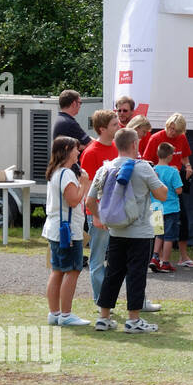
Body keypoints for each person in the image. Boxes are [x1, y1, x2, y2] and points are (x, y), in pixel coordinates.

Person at [87, 129, 168, 334]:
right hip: (140, 232)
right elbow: (162, 195)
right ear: (134, 144)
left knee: (112, 274)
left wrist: (98, 218)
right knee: (136, 275)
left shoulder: (105, 168)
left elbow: (89, 200)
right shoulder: (143, 168)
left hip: (116, 231)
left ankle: (103, 318)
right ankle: (133, 320)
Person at [43, 136, 90, 327]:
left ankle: (55, 313)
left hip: (56, 228)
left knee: (58, 270)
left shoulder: (56, 172)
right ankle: (66, 314)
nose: (78, 152)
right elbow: (73, 200)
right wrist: (84, 183)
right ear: (66, 150)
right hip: (67, 230)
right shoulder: (66, 174)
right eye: (75, 149)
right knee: (72, 270)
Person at [142, 114, 193, 267]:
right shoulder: (155, 138)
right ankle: (161, 259)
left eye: (176, 130)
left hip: (167, 192)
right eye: (171, 128)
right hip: (161, 190)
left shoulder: (182, 139)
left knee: (173, 224)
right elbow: (146, 162)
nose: (172, 132)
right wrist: (160, 172)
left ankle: (179, 257)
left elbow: (185, 157)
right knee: (165, 231)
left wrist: (188, 166)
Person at [80, 109, 119, 309]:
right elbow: (87, 190)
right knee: (97, 260)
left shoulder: (115, 147)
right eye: (114, 124)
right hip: (99, 215)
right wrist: (94, 216)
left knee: (115, 261)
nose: (118, 126)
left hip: (115, 214)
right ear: (102, 129)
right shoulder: (91, 153)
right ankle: (101, 303)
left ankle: (108, 301)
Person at [149, 142, 184, 274]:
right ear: (170, 156)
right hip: (171, 209)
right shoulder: (173, 171)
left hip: (156, 207)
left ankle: (155, 257)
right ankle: (165, 262)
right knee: (169, 236)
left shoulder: (152, 171)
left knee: (158, 234)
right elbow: (179, 190)